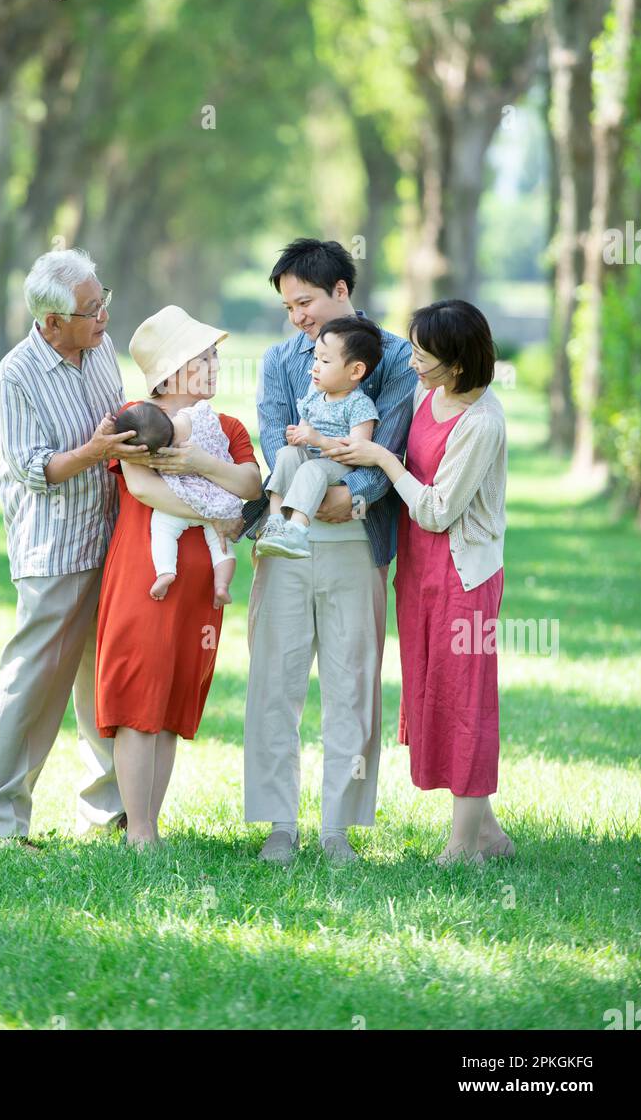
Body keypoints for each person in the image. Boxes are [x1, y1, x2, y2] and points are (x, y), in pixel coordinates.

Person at [244, 238, 417, 865]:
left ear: (341, 292)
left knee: (352, 686)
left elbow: (390, 448)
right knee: (274, 680)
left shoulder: (395, 359)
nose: (298, 318)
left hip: (356, 543)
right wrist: (317, 492)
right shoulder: (278, 360)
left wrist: (356, 496)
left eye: (307, 302)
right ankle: (277, 824)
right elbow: (275, 442)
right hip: (288, 536)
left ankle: (338, 826)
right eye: (290, 307)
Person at [0, 249, 149, 852]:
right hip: (55, 550)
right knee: (32, 687)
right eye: (90, 309)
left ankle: (106, 818)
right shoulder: (17, 373)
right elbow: (30, 468)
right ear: (50, 322)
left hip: (113, 540)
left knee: (106, 684)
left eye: (104, 301)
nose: (103, 316)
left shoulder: (97, 349)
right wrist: (94, 452)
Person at [330, 299, 512, 867]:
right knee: (436, 692)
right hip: (420, 571)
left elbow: (435, 510)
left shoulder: (481, 422)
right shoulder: (427, 395)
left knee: (467, 699)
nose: (412, 363)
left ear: (457, 364)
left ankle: (464, 848)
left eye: (424, 355)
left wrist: (384, 459)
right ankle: (487, 833)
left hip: (463, 574)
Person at [95, 305, 263, 850]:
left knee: (168, 704)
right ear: (167, 373)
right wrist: (214, 514)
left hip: (201, 585)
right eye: (200, 359)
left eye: (214, 356)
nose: (214, 366)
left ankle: (151, 823)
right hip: (149, 576)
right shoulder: (135, 418)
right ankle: (137, 831)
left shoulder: (228, 426)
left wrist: (202, 467)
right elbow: (142, 489)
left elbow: (250, 486)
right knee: (139, 699)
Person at [255, 316, 381, 559]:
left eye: (324, 360)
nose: (314, 366)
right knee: (288, 453)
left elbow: (356, 454)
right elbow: (304, 430)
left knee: (313, 469)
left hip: (337, 466)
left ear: (356, 370)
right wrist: (298, 436)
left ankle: (297, 531)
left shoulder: (359, 405)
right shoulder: (315, 395)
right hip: (312, 458)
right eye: (315, 358)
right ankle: (276, 521)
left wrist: (318, 439)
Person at [111, 400, 240, 607]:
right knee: (221, 545)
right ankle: (222, 585)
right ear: (164, 410)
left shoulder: (159, 455)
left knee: (162, 530)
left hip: (183, 500)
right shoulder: (199, 416)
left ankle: (165, 572)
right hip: (218, 498)